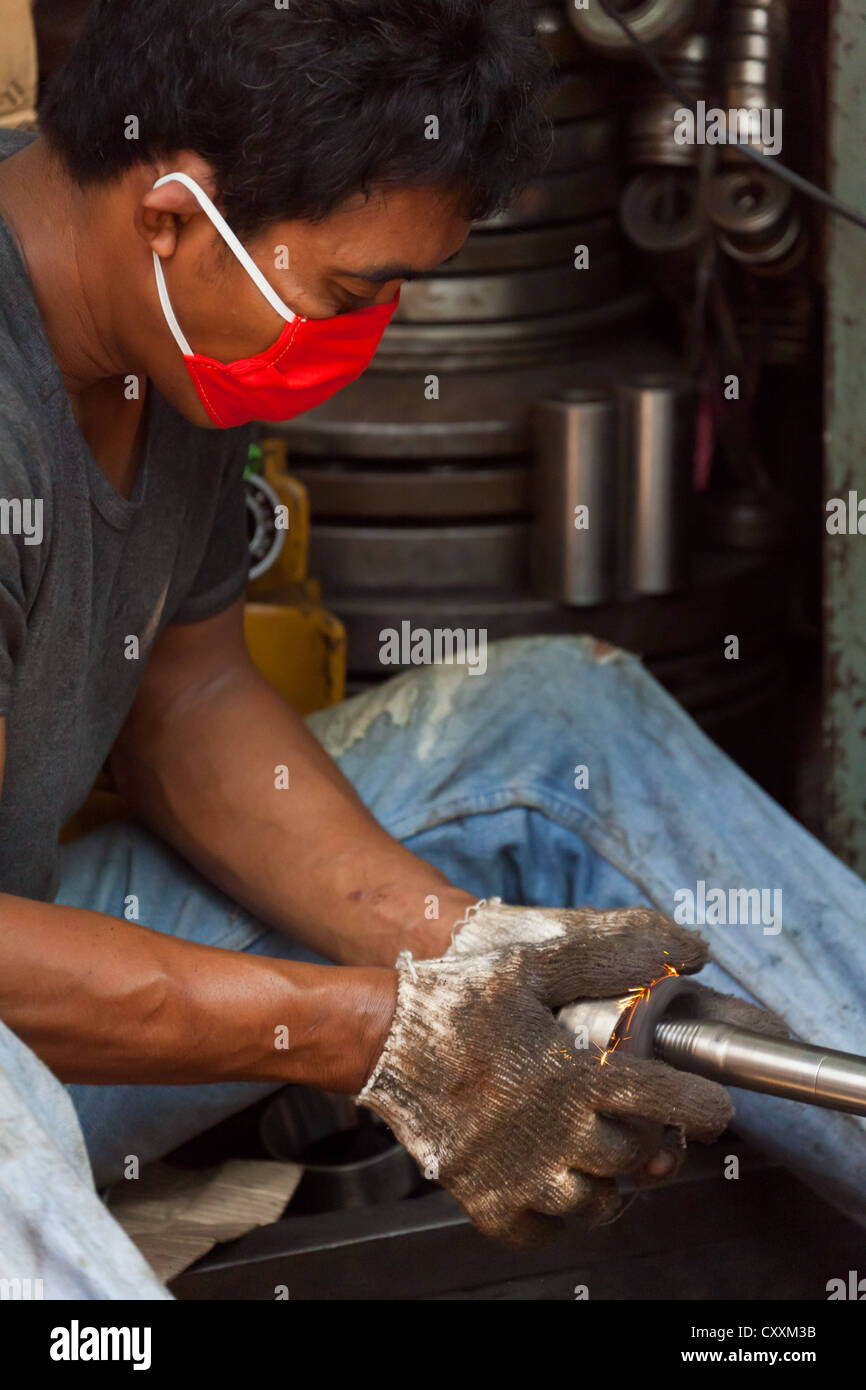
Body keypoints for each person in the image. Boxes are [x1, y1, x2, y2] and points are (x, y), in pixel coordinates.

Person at [0, 0, 862, 1300]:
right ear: (170, 212)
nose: (368, 336)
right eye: (351, 293)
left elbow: (190, 700)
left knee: (553, 724)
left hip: (45, 941)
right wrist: (378, 1032)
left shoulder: (162, 328)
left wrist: (461, 956)